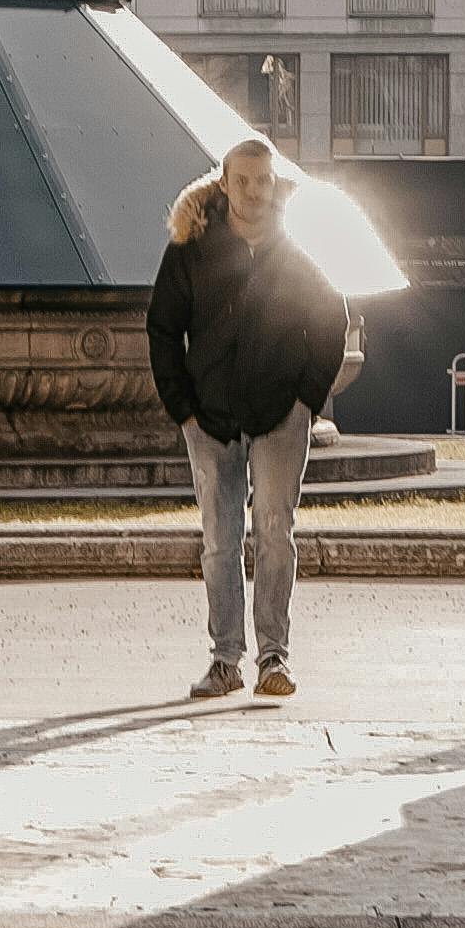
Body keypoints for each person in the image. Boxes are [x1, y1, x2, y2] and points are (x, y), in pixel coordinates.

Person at [147, 134, 349, 704]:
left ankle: (273, 658)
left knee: (274, 531)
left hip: (280, 413)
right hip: (209, 419)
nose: (254, 191)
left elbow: (332, 320)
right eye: (243, 180)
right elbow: (163, 329)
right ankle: (224, 659)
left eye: (263, 180)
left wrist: (307, 399)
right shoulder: (192, 245)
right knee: (219, 539)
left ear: (273, 182)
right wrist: (183, 409)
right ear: (225, 182)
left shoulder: (300, 246)